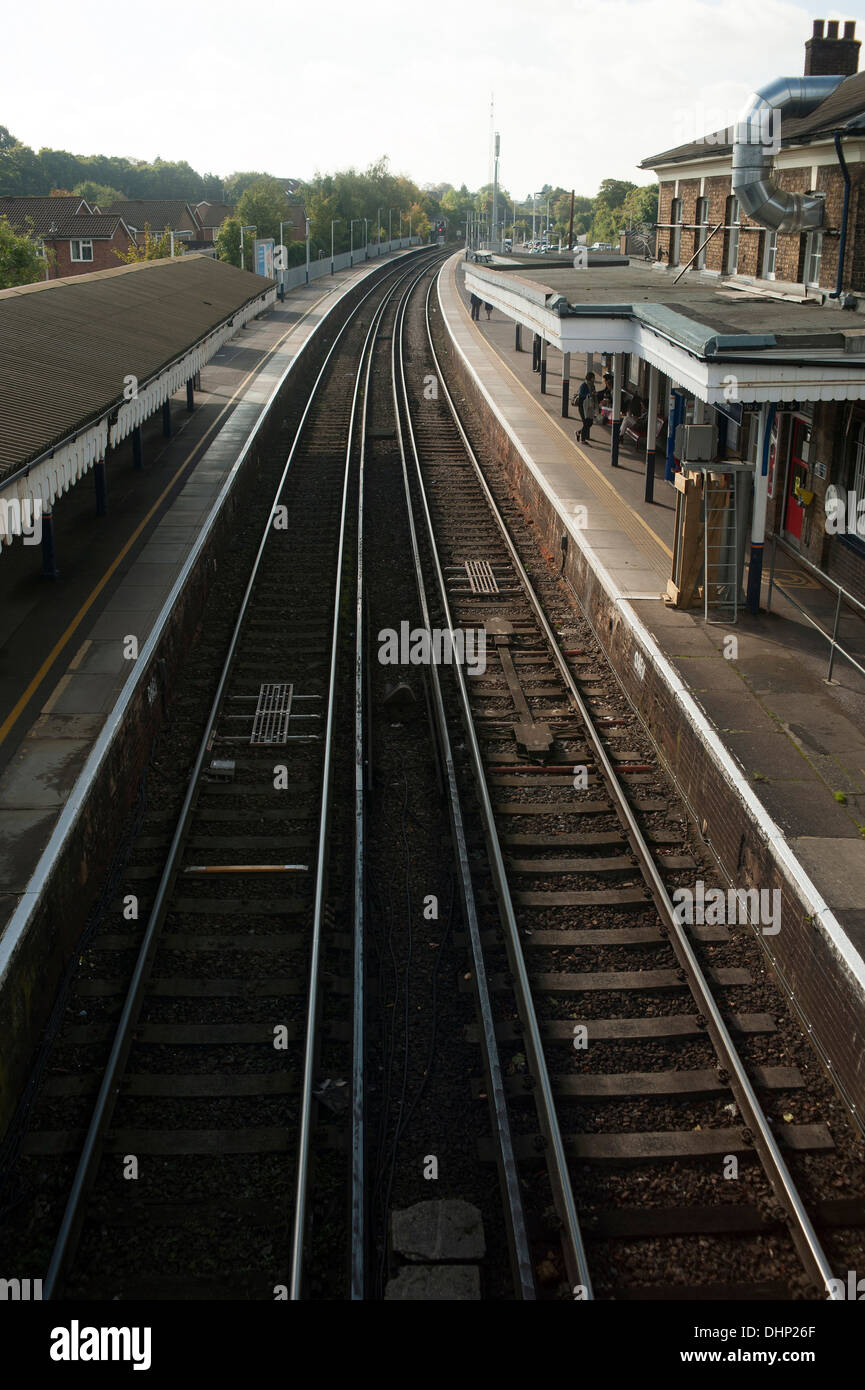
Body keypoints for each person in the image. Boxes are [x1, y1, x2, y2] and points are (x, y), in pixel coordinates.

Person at [575, 372, 597, 443]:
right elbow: (581, 394)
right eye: (593, 378)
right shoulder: (583, 385)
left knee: (590, 422)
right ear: (590, 378)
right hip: (582, 406)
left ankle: (579, 432)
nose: (594, 379)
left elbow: (594, 394)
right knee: (586, 423)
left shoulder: (593, 386)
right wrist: (590, 394)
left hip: (589, 406)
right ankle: (583, 440)